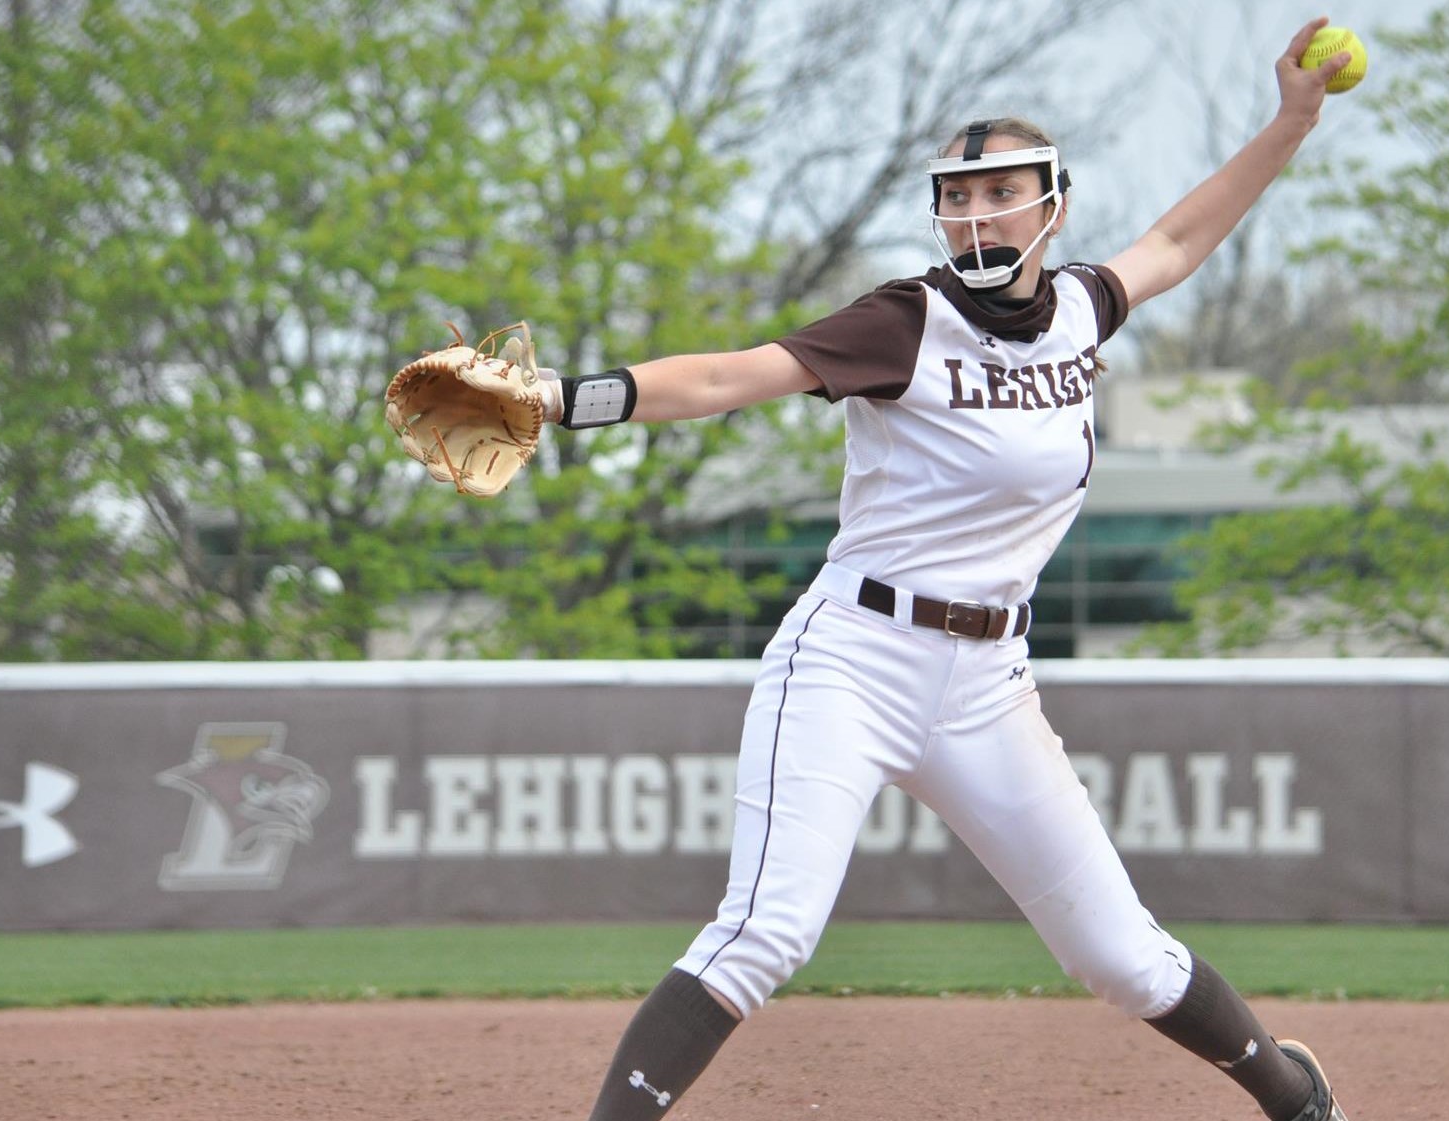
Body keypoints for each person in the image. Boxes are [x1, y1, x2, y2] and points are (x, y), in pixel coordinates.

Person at [538, 20, 1358, 1121]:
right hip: (854, 655)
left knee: (1125, 957)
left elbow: (1174, 242)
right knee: (764, 929)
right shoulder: (907, 320)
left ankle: (1297, 1096)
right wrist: (560, 399)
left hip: (987, 682)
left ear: (1050, 205)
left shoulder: (1077, 310)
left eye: (1001, 193)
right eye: (959, 197)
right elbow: (732, 376)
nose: (976, 213)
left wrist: (1291, 123)